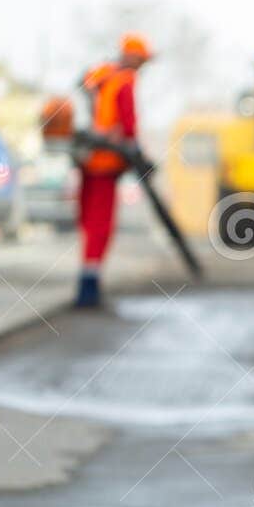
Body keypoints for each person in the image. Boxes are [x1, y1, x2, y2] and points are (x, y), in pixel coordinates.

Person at [73, 34, 152, 308]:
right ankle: (88, 288)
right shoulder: (124, 81)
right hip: (105, 163)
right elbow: (128, 124)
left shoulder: (100, 75)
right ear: (133, 57)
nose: (141, 67)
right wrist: (136, 151)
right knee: (101, 224)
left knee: (89, 221)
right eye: (141, 61)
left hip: (87, 159)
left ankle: (87, 282)